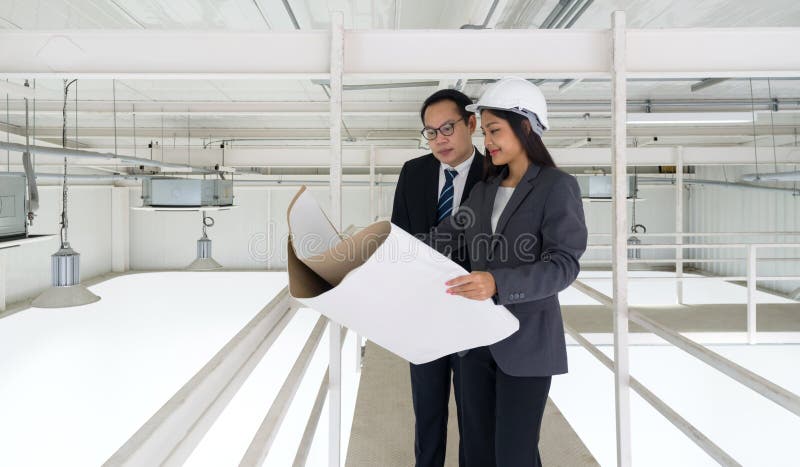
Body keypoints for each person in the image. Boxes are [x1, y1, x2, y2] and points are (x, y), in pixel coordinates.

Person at [429, 77, 588, 466]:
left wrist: (498, 283)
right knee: (477, 452)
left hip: (527, 345)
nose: (489, 142)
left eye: (495, 130)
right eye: (485, 133)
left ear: (526, 127)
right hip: (476, 342)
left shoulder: (557, 187)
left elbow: (564, 264)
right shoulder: (485, 189)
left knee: (514, 454)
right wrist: (382, 246)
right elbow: (442, 239)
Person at [391, 89, 485, 467]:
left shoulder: (495, 173)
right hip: (424, 313)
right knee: (427, 412)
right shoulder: (413, 172)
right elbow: (400, 237)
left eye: (447, 127)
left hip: (474, 312)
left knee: (474, 413)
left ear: (472, 124)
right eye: (430, 132)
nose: (439, 139)